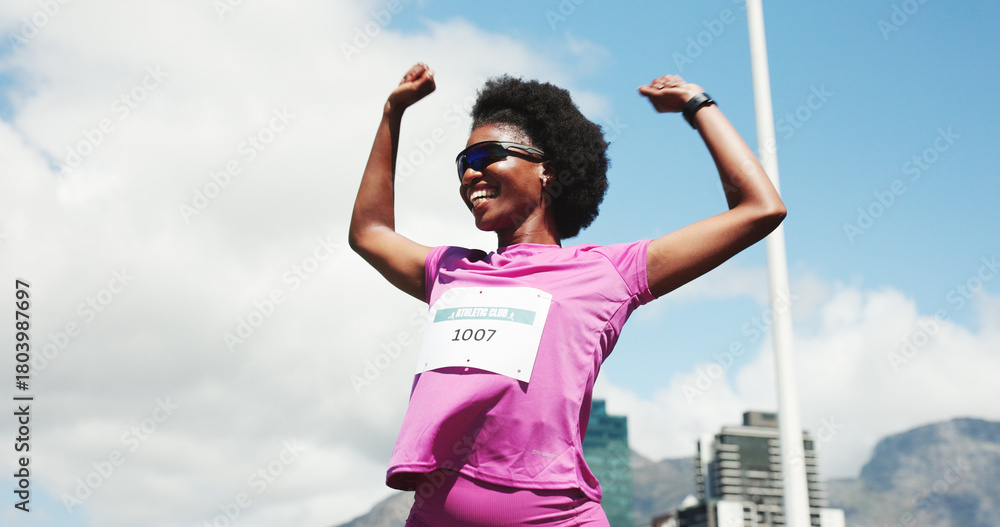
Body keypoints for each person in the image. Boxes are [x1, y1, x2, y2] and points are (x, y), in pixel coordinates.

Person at [349, 62, 785, 527]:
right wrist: (392, 113)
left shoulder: (607, 274)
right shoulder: (449, 270)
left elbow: (760, 208)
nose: (469, 175)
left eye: (486, 156)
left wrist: (697, 105)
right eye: (463, 163)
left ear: (546, 171)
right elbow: (369, 231)